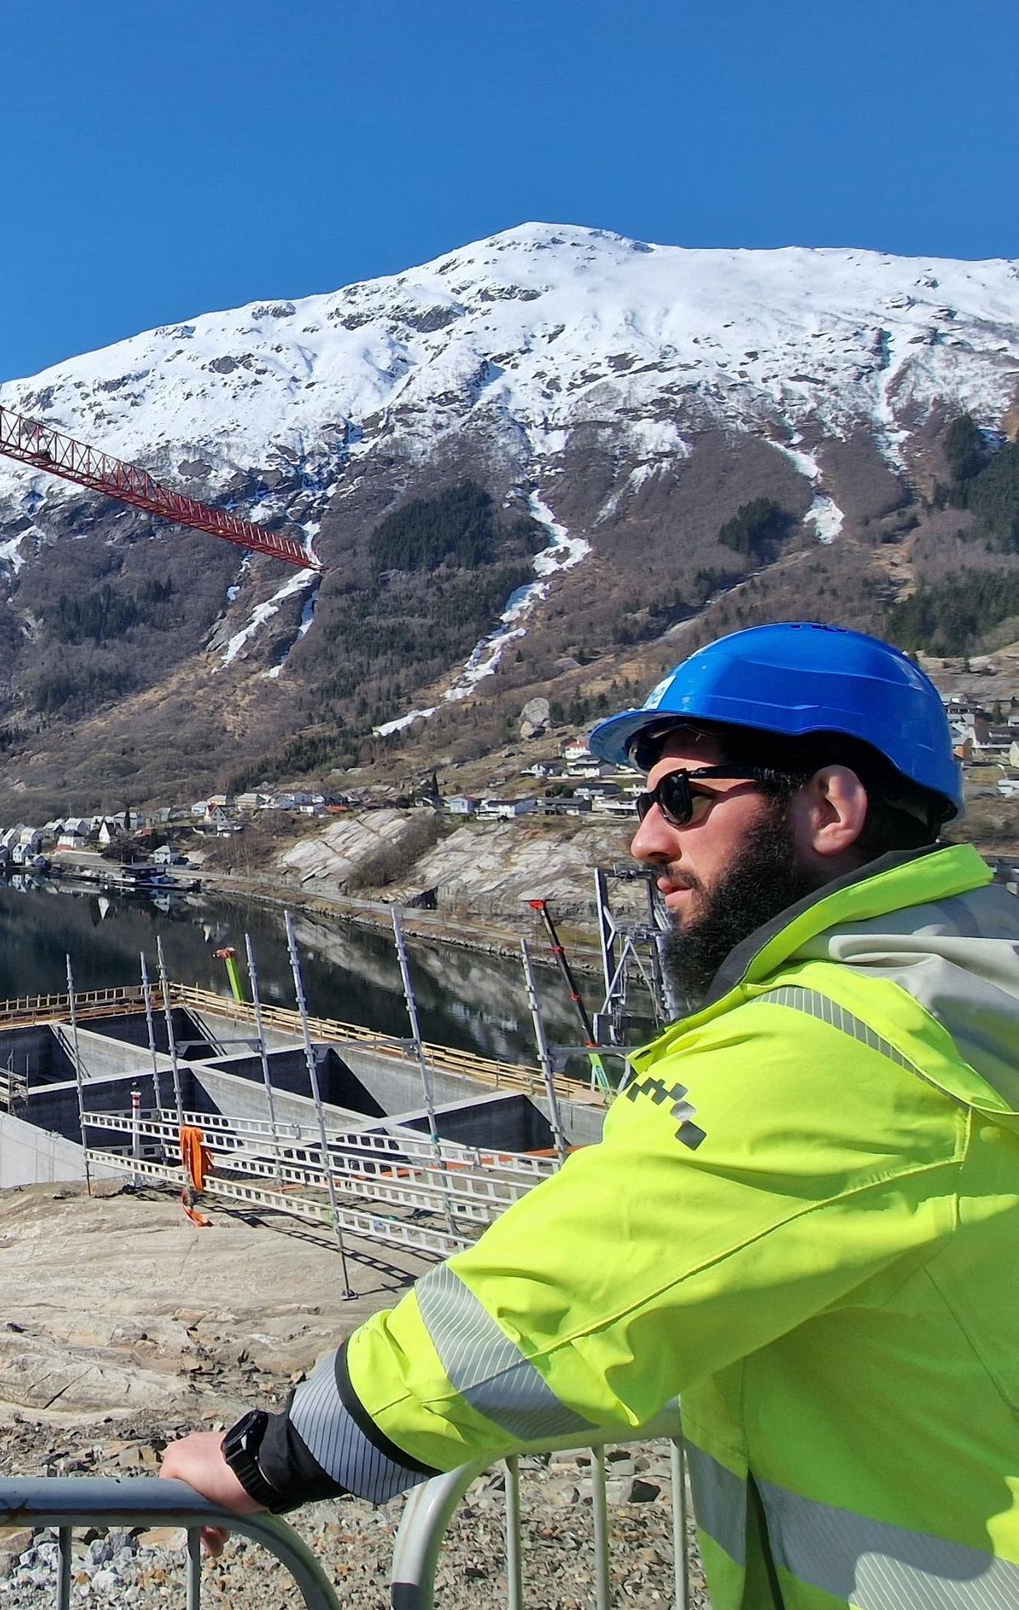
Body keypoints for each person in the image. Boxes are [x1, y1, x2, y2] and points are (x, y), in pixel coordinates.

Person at [162, 623, 1019, 1609]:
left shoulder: (837, 1043)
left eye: (682, 797)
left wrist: (273, 1456)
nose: (644, 837)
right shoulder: (963, 982)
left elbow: (551, 1302)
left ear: (830, 805)